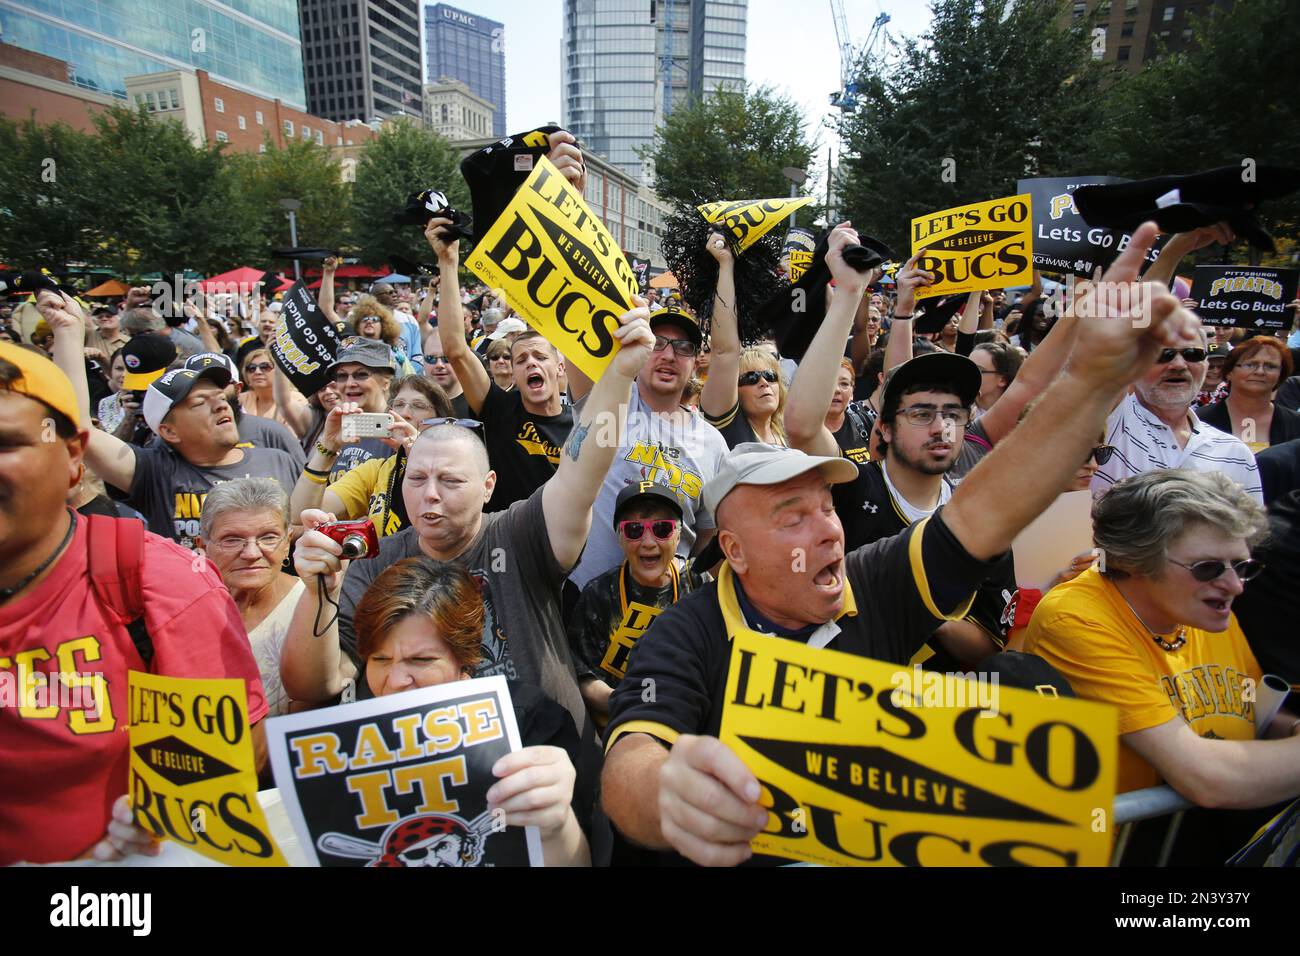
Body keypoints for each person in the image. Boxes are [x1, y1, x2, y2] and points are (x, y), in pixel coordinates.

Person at [598, 219, 1208, 866]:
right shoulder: (686, 634)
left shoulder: (874, 583)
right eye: (791, 517)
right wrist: (673, 791)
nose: (829, 528)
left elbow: (991, 507)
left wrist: (1092, 379)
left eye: (825, 507)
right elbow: (630, 763)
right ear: (735, 551)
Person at [280, 300, 657, 748]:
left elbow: (584, 467)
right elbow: (313, 685)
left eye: (451, 480)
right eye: (416, 478)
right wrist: (319, 591)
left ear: (487, 485)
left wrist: (620, 372)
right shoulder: (371, 563)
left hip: (546, 766)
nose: (430, 493)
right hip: (432, 780)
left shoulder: (520, 535)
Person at [0, 342, 268, 865]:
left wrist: (140, 851)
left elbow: (217, 789)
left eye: (5, 443)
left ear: (73, 457)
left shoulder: (154, 583)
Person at [1023, 470, 1300, 810]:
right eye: (1207, 568)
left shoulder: (1202, 611)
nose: (1236, 586)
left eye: (1242, 566)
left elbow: (1256, 714)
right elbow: (1209, 779)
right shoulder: (1075, 618)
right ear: (1135, 559)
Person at [330, 557, 590, 866]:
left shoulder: (529, 723)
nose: (397, 681)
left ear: (463, 662)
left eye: (422, 660)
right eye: (380, 659)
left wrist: (556, 826)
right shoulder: (345, 745)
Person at [40, 292, 300, 551]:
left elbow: (308, 523)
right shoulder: (154, 472)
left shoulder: (279, 459)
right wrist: (67, 331)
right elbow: (77, 427)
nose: (221, 404)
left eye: (220, 396)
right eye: (200, 403)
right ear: (168, 431)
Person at [565, 303, 729, 591]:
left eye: (683, 347)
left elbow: (707, 537)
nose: (668, 355)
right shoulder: (610, 398)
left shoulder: (713, 444)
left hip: (667, 612)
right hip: (582, 600)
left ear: (695, 362)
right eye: (657, 344)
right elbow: (576, 340)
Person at [429, 220, 574, 512]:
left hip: (567, 550)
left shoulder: (580, 424)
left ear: (560, 368)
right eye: (520, 359)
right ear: (515, 373)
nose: (530, 362)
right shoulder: (499, 409)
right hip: (505, 546)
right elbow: (456, 349)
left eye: (540, 357)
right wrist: (448, 261)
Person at [567, 482, 700, 724]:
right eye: (634, 530)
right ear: (619, 538)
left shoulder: (698, 585)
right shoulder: (599, 595)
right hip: (621, 722)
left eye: (662, 529)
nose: (648, 542)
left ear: (679, 534)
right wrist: (627, 702)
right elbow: (583, 676)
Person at [1090, 334, 1263, 503]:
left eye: (1193, 354)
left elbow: (1249, 529)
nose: (1179, 365)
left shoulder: (1235, 452)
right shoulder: (1112, 422)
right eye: (1163, 355)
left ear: (1205, 364)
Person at [288, 374, 454, 538]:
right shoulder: (376, 470)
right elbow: (300, 514)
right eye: (399, 404)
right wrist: (327, 447)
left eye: (418, 405)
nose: (405, 413)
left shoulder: (454, 466)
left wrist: (418, 454)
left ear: (439, 421)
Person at [196, 478, 302, 717]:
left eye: (268, 537)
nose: (251, 553)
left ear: (287, 543)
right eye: (232, 539)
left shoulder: (313, 604)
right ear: (203, 545)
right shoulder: (186, 607)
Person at [697, 232, 788, 448]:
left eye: (770, 375)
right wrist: (726, 265)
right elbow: (724, 352)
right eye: (751, 378)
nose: (763, 382)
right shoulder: (728, 427)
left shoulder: (790, 432)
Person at [297, 339, 399, 483]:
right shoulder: (338, 428)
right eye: (342, 376)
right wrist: (328, 447)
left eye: (361, 374)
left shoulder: (400, 427)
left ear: (385, 382)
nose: (350, 383)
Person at [1197, 336, 1300, 452]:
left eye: (1270, 366)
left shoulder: (1296, 424)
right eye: (1250, 365)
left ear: (1281, 375)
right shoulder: (1199, 420)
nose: (1260, 372)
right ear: (1229, 372)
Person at [238, 346, 309, 431]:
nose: (257, 372)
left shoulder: (296, 400)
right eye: (251, 368)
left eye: (264, 367)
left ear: (279, 371)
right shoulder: (241, 399)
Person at [422, 328, 470, 419]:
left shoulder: (477, 402)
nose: (439, 365)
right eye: (431, 358)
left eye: (447, 358)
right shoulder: (414, 404)